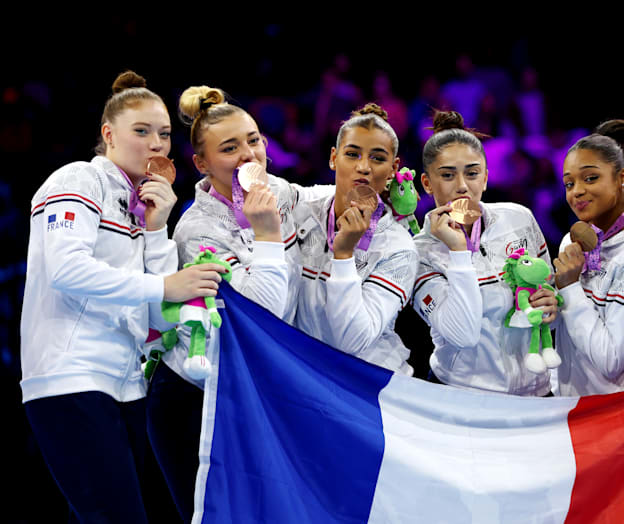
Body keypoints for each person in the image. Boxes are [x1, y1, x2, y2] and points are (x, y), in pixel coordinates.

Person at [20, 71, 225, 523]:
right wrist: (164, 285)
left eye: (165, 134)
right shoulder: (78, 179)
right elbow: (65, 269)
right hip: (71, 377)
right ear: (108, 134)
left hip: (127, 385)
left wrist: (157, 229)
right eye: (142, 131)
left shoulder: (141, 202)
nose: (157, 143)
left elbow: (160, 318)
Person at [145, 84, 333, 522]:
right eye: (230, 148)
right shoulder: (196, 231)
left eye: (254, 141)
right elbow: (258, 317)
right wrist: (268, 233)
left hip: (255, 394)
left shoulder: (280, 192)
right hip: (194, 401)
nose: (249, 156)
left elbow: (337, 199)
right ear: (202, 164)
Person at [412, 110, 559, 395]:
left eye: (472, 173)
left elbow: (549, 299)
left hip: (537, 393)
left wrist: (553, 307)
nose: (462, 186)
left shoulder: (520, 219)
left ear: (486, 178)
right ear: (427, 183)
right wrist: (458, 253)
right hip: (464, 398)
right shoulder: (420, 253)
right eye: (447, 175)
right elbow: (462, 334)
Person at [294, 103, 418, 375]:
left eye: (377, 158)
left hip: (369, 387)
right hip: (307, 377)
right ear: (333, 158)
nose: (363, 167)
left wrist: (344, 256)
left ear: (393, 169)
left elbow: (351, 341)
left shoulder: (399, 248)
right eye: (352, 154)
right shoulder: (301, 206)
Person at [551, 120, 624, 396]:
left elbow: (610, 359)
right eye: (569, 183)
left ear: (623, 177)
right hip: (573, 408)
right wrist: (548, 307)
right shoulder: (572, 240)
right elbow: (568, 328)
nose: (577, 191)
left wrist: (569, 287)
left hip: (623, 413)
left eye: (590, 178)